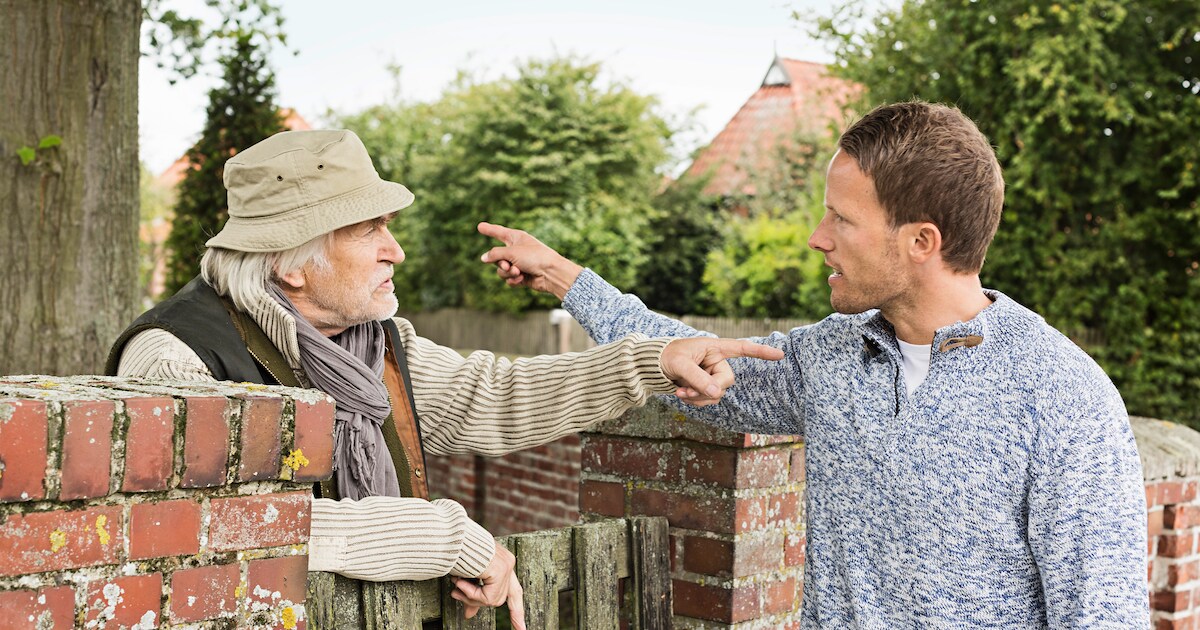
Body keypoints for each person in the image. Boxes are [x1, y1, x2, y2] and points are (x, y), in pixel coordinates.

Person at [479, 101, 1148, 627]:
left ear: (922, 241)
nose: (816, 239)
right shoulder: (831, 354)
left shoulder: (1063, 398)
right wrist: (568, 279)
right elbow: (695, 360)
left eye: (841, 220)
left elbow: (1102, 615)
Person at [106, 129, 783, 629]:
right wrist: (442, 537)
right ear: (291, 264)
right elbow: (208, 525)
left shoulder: (377, 344)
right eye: (368, 229)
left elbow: (495, 396)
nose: (394, 250)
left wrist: (650, 362)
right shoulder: (177, 356)